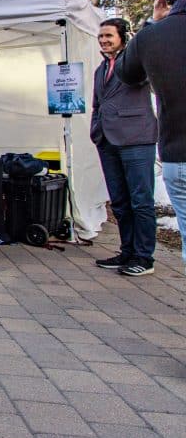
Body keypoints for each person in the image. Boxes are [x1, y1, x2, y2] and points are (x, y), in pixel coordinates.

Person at [118, 0, 186, 273]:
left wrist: (155, 21)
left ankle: (141, 254)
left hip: (176, 154)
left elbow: (127, 73)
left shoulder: (154, 35)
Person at [90, 18, 158, 276]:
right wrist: (95, 129)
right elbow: (98, 102)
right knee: (119, 201)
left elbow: (147, 50)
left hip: (136, 139)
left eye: (109, 36)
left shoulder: (135, 63)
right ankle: (127, 251)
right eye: (101, 37)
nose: (104, 40)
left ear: (122, 37)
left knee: (141, 201)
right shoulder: (100, 70)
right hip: (107, 141)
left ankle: (144, 256)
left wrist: (151, 24)